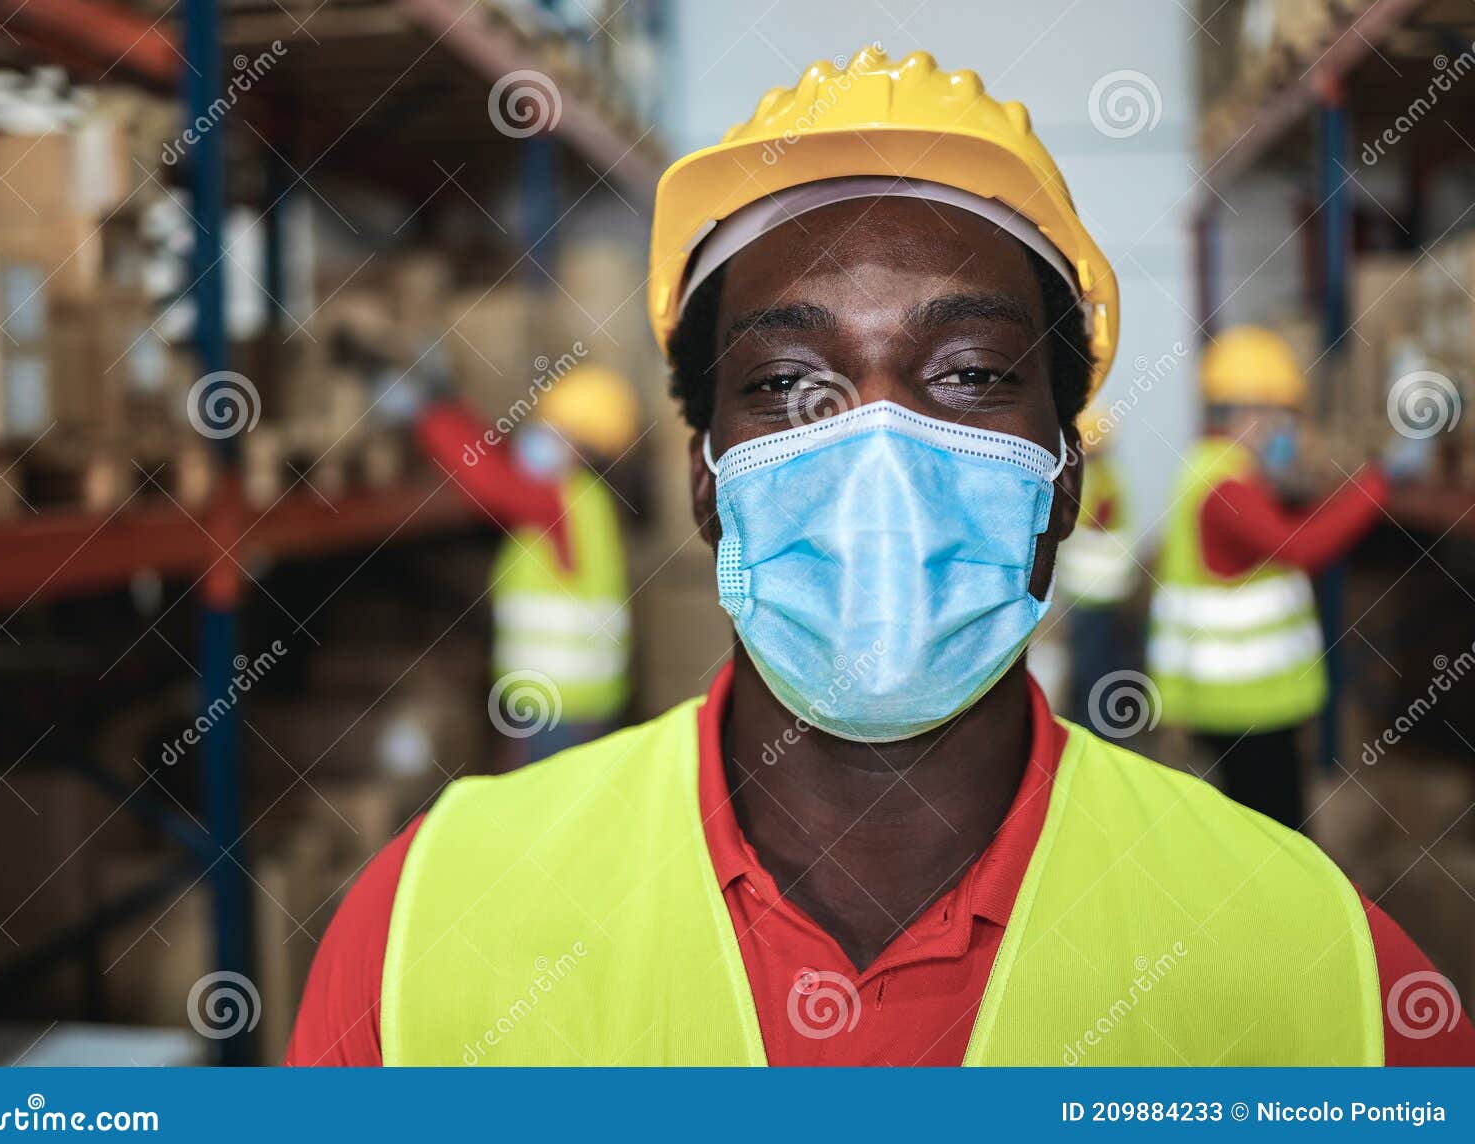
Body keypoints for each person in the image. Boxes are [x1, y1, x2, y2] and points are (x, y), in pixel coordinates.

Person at [288, 48, 1474, 1066]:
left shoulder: (1316, 976)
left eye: (966, 374)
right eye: (789, 385)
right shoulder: (425, 937)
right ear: (706, 479)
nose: (879, 451)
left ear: (1063, 478)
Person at [1147, 326, 1398, 830]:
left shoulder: (1214, 467)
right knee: (1276, 833)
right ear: (1249, 415)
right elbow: (1299, 547)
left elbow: (1280, 531)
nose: (1289, 429)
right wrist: (1377, 486)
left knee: (1249, 827)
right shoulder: (1228, 487)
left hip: (1232, 703)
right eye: (1283, 415)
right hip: (1244, 706)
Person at [411, 364, 637, 766]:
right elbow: (500, 466)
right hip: (575, 709)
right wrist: (451, 400)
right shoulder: (588, 502)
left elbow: (490, 480)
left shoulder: (561, 502)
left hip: (558, 715)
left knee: (546, 822)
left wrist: (431, 413)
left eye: (554, 432)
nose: (539, 439)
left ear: (583, 446)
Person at [1058, 410, 1136, 733]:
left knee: (1093, 665)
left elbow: (1082, 519)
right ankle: (1101, 724)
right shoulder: (1109, 472)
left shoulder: (1095, 477)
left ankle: (1095, 728)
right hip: (1102, 589)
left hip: (1092, 590)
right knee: (1102, 661)